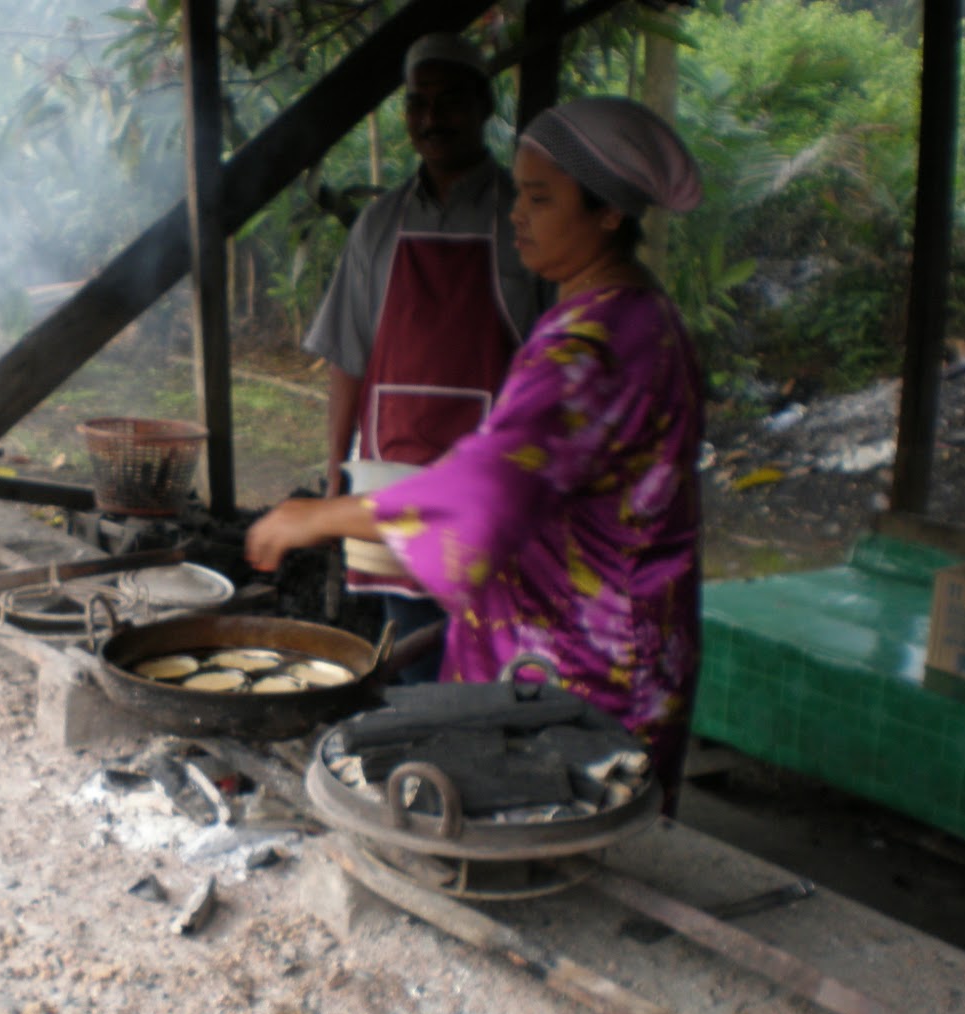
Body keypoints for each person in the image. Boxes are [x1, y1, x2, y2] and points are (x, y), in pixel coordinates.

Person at [248, 96, 704, 812]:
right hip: (642, 649)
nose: (516, 213)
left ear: (608, 213)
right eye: (519, 192)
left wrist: (323, 515)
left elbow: (483, 499)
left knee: (548, 854)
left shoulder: (582, 348)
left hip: (570, 683)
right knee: (606, 851)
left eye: (540, 197)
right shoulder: (647, 315)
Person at [304, 32, 546, 682]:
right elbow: (348, 357)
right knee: (410, 647)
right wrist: (335, 471)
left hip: (491, 478)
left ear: (484, 105)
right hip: (393, 478)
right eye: (419, 104)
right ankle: (419, 767)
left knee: (496, 648)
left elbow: (556, 365)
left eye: (449, 102)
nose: (433, 119)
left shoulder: (523, 220)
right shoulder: (378, 226)